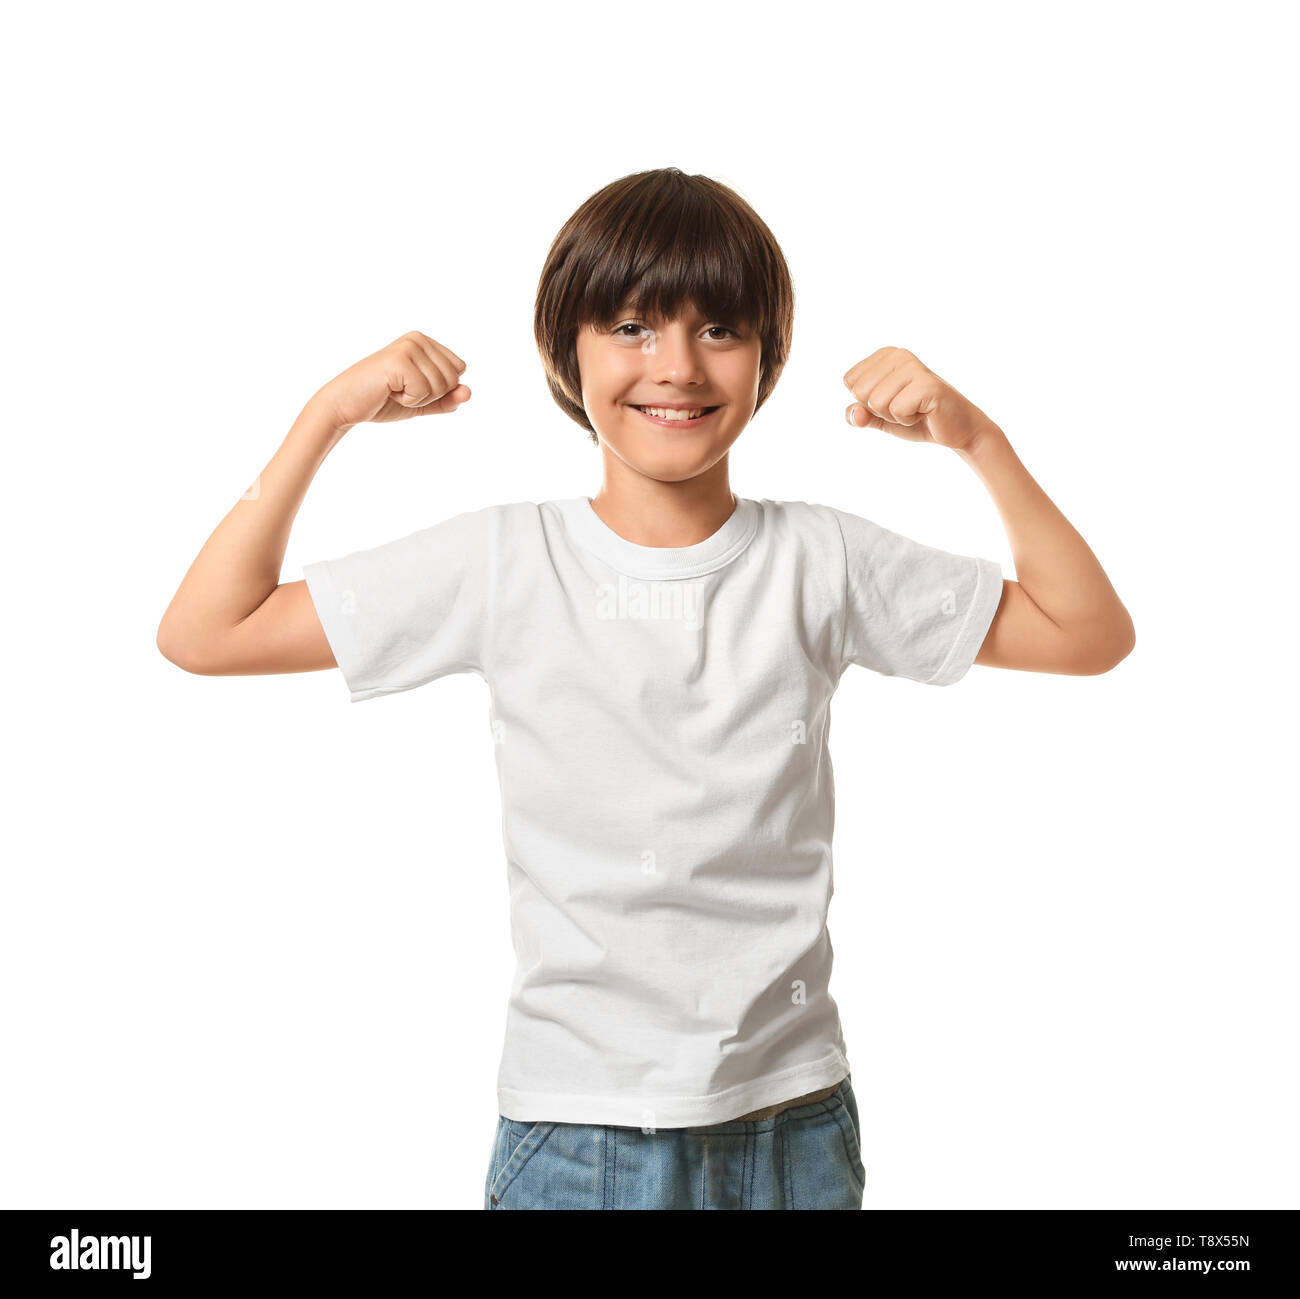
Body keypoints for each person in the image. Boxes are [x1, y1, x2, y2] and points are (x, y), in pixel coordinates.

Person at [156, 167, 1135, 1210]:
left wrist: (975, 441)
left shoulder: (821, 557)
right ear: (564, 353)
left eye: (718, 329)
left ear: (765, 359)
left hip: (789, 1122)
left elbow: (1088, 634)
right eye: (629, 326)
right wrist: (325, 418)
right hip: (577, 1127)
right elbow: (208, 631)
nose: (675, 366)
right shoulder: (505, 560)